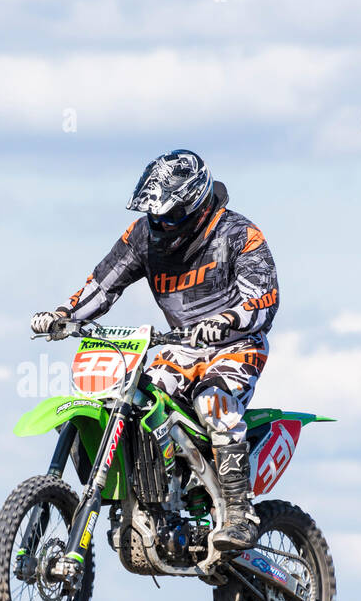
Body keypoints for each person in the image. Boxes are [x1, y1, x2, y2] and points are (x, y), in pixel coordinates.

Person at [31, 150, 279, 551]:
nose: (160, 222)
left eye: (169, 214)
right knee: (130, 400)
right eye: (154, 214)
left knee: (213, 403)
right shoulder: (143, 235)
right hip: (180, 346)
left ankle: (237, 513)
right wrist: (64, 314)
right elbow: (102, 285)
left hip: (236, 345)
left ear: (195, 204)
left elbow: (264, 298)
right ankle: (152, 498)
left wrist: (228, 320)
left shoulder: (238, 234)